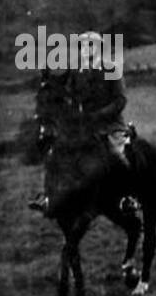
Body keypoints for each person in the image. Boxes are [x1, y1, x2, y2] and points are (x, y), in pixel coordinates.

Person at [29, 31, 136, 216]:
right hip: (82, 127)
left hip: (109, 126)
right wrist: (47, 75)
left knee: (118, 156)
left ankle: (127, 198)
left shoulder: (111, 69)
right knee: (55, 154)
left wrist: (97, 115)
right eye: (84, 47)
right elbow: (61, 89)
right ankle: (47, 197)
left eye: (91, 46)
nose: (87, 50)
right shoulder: (76, 72)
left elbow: (120, 101)